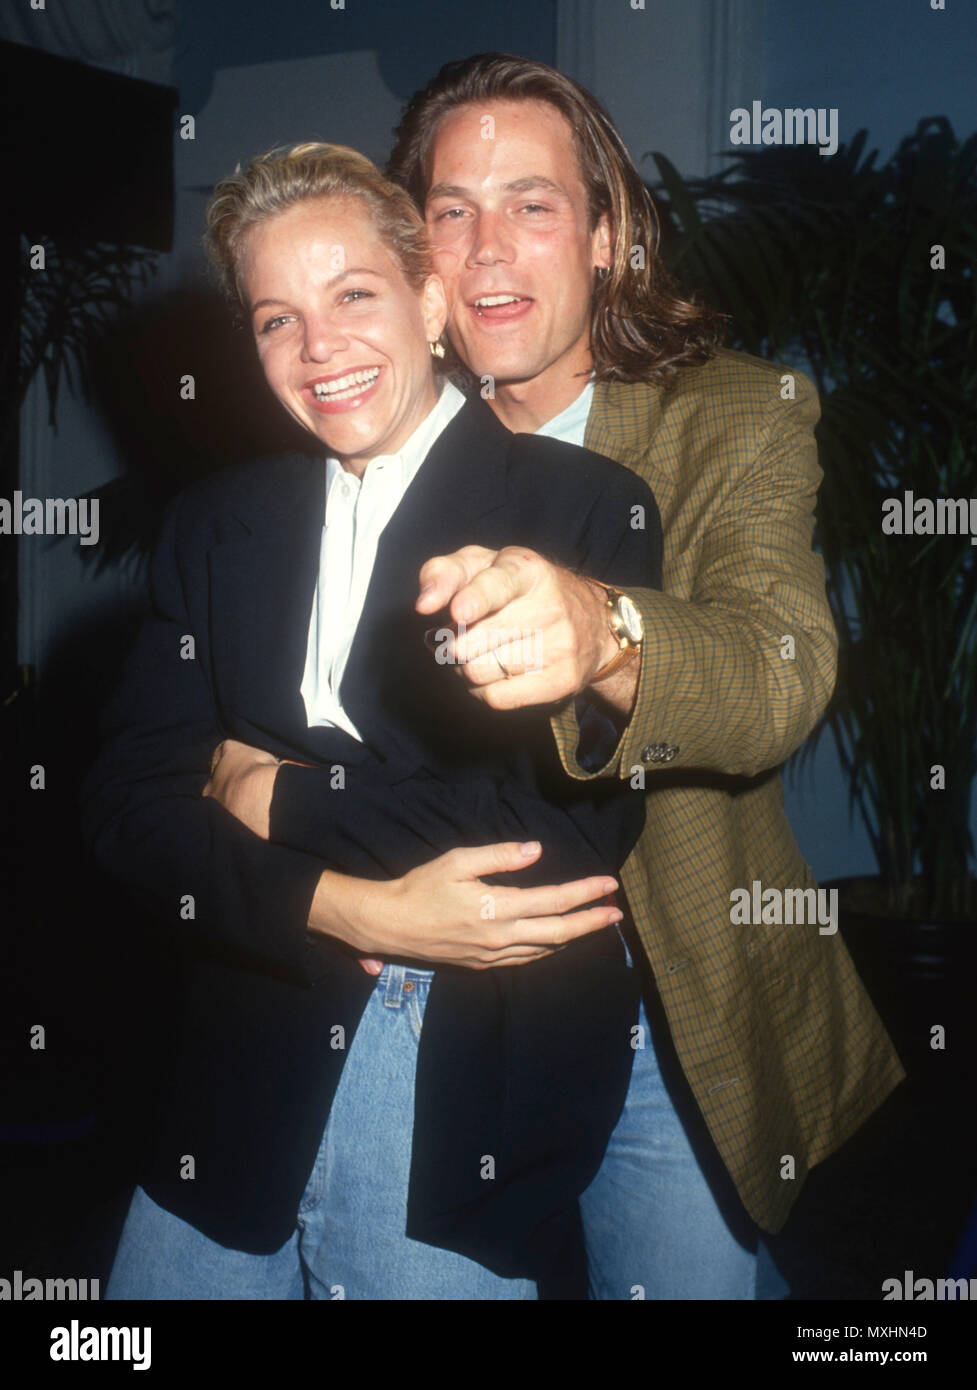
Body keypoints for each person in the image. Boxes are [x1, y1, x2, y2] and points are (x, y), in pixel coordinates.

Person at [220, 52, 906, 1300]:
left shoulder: (734, 418)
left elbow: (776, 670)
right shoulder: (355, 425)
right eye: (449, 210)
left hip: (669, 1017)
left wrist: (602, 636)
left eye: (532, 206)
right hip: (440, 1006)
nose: (487, 251)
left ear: (602, 236)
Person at [83, 142, 666, 1299]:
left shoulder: (580, 505)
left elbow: (558, 844)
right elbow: (124, 807)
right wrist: (345, 901)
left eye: (352, 295)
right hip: (245, 1047)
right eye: (273, 320)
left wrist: (267, 791)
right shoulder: (217, 523)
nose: (317, 349)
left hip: (465, 1076)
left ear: (430, 300)